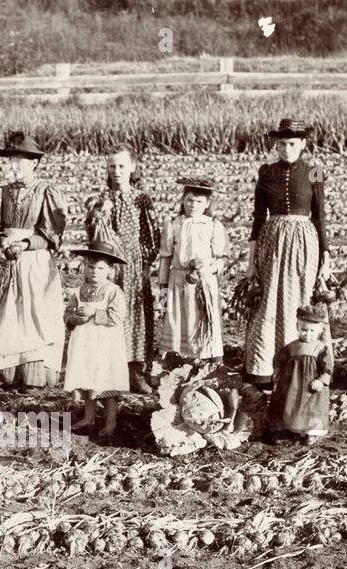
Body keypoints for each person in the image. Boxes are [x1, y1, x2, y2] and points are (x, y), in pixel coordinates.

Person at [0, 131, 68, 391]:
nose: (14, 166)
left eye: (20, 161)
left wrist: (24, 244)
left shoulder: (46, 191)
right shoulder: (0, 193)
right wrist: (1, 241)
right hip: (4, 261)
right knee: (0, 315)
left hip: (33, 263)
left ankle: (33, 375)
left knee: (33, 316)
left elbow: (51, 236)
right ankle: (1, 374)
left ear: (34, 163)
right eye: (11, 161)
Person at [245, 118, 329, 390]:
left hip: (304, 242)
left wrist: (326, 254)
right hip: (273, 241)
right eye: (281, 144)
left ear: (303, 144)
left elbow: (320, 215)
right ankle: (264, 368)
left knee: (300, 297)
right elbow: (258, 217)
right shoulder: (266, 171)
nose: (286, 149)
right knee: (269, 300)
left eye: (292, 144)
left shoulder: (315, 169)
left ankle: (303, 364)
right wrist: (251, 258)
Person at [85, 145, 162, 394]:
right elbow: (92, 235)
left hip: (134, 266)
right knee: (109, 313)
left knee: (136, 316)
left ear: (132, 167)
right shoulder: (100, 199)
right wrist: (98, 214)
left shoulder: (141, 199)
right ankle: (110, 373)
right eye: (112, 166)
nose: (117, 171)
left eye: (121, 166)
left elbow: (153, 234)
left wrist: (145, 265)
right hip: (110, 266)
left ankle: (136, 372)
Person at [157, 176, 227, 363]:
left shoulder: (213, 225)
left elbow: (222, 258)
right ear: (183, 200)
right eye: (189, 200)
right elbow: (165, 257)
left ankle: (205, 357)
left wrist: (210, 268)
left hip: (203, 281)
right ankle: (178, 357)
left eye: (199, 201)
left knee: (201, 317)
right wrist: (163, 285)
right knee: (178, 318)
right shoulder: (174, 225)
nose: (193, 205)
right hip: (178, 280)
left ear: (207, 203)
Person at [63, 240, 129, 438]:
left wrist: (94, 313)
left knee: (105, 379)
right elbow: (67, 314)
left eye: (100, 268)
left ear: (109, 270)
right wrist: (74, 318)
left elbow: (117, 318)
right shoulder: (79, 291)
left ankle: (110, 422)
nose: (95, 272)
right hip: (85, 343)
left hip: (104, 344)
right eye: (91, 267)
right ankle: (89, 417)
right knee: (87, 377)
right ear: (84, 268)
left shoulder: (113, 291)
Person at [267, 305, 332, 445]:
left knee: (313, 408)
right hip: (293, 384)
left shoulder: (320, 348)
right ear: (297, 327)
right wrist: (277, 374)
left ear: (320, 330)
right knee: (290, 405)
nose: (307, 334)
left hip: (312, 386)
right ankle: (288, 430)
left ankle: (312, 433)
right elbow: (279, 360)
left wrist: (321, 380)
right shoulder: (291, 347)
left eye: (312, 331)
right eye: (304, 330)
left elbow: (328, 366)